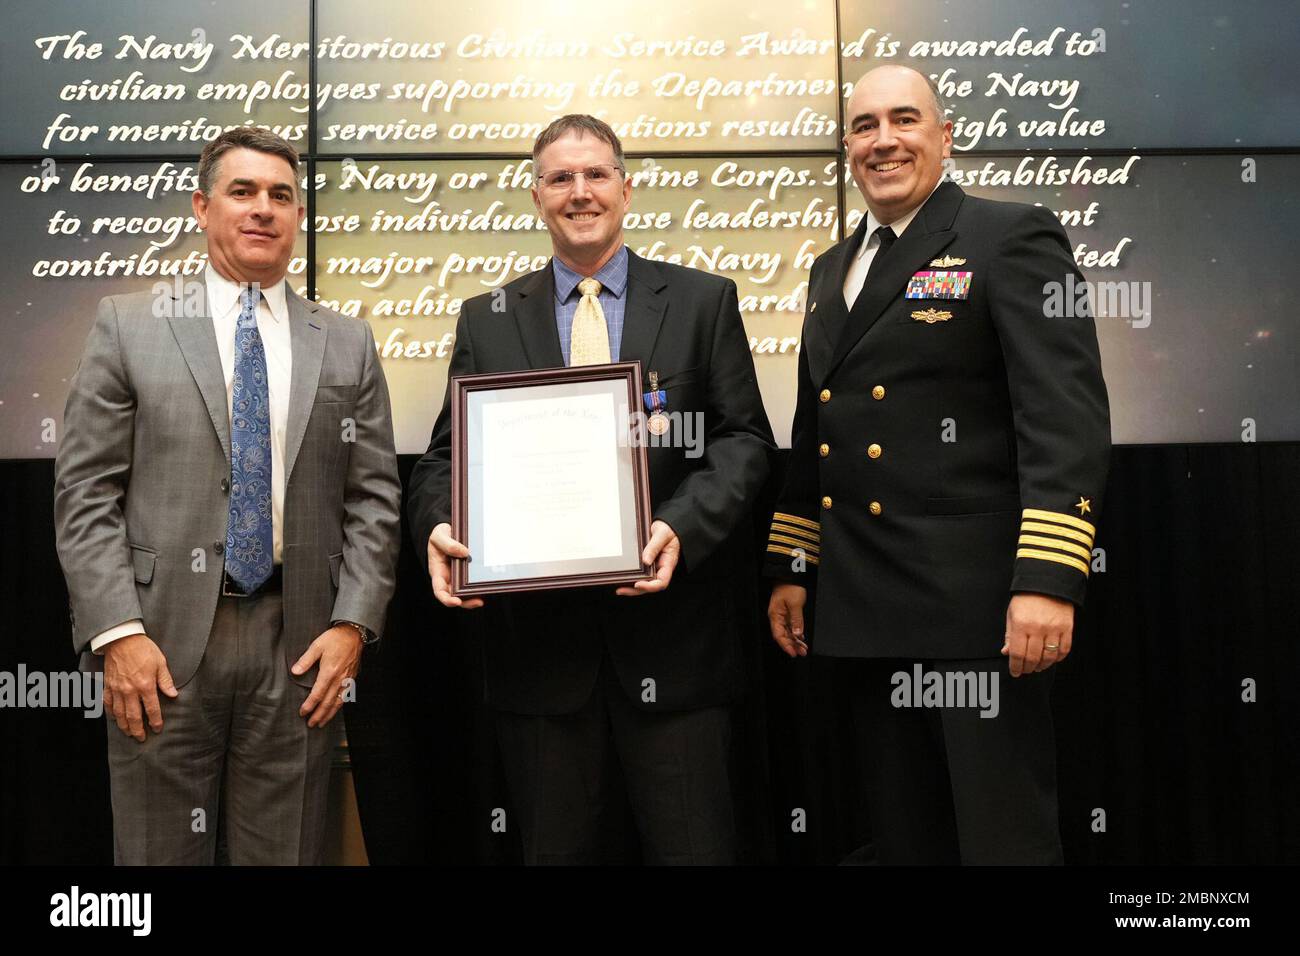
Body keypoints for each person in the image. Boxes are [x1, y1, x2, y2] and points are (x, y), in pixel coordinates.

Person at [765, 65, 1111, 864]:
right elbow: (820, 427)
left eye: (904, 120)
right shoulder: (830, 270)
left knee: (1002, 839)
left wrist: (1048, 582)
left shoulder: (1009, 235)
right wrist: (792, 564)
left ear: (944, 136)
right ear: (847, 147)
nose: (882, 140)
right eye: (863, 126)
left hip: (979, 611)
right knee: (905, 839)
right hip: (863, 603)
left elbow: (1063, 420)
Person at [407, 114, 774, 865]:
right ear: (537, 196)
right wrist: (439, 526)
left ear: (626, 188)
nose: (580, 192)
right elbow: (446, 458)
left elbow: (743, 441)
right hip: (539, 664)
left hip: (675, 652)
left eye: (596, 174)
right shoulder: (488, 318)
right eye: (561, 178)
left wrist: (679, 527)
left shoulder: (703, 303)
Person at [54, 127, 402, 865]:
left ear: (298, 215)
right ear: (201, 207)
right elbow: (85, 492)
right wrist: (117, 632)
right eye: (242, 192)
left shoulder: (346, 341)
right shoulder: (129, 325)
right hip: (159, 649)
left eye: (281, 195)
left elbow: (374, 498)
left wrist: (352, 625)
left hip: (300, 649)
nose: (263, 210)